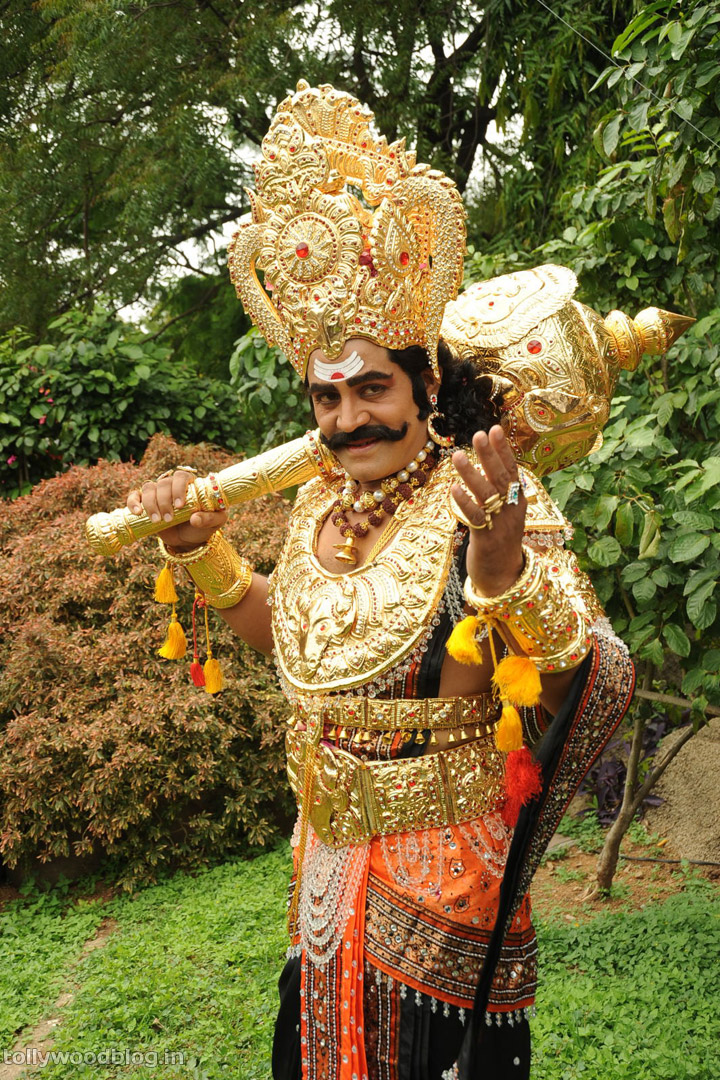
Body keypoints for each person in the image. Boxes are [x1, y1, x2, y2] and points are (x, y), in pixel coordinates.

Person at [125, 83, 640, 1080]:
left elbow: (578, 674)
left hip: (446, 875)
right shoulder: (319, 503)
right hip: (323, 860)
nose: (348, 419)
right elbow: (303, 649)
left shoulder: (486, 490)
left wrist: (498, 568)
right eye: (326, 397)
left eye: (371, 389)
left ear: (426, 385)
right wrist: (200, 551)